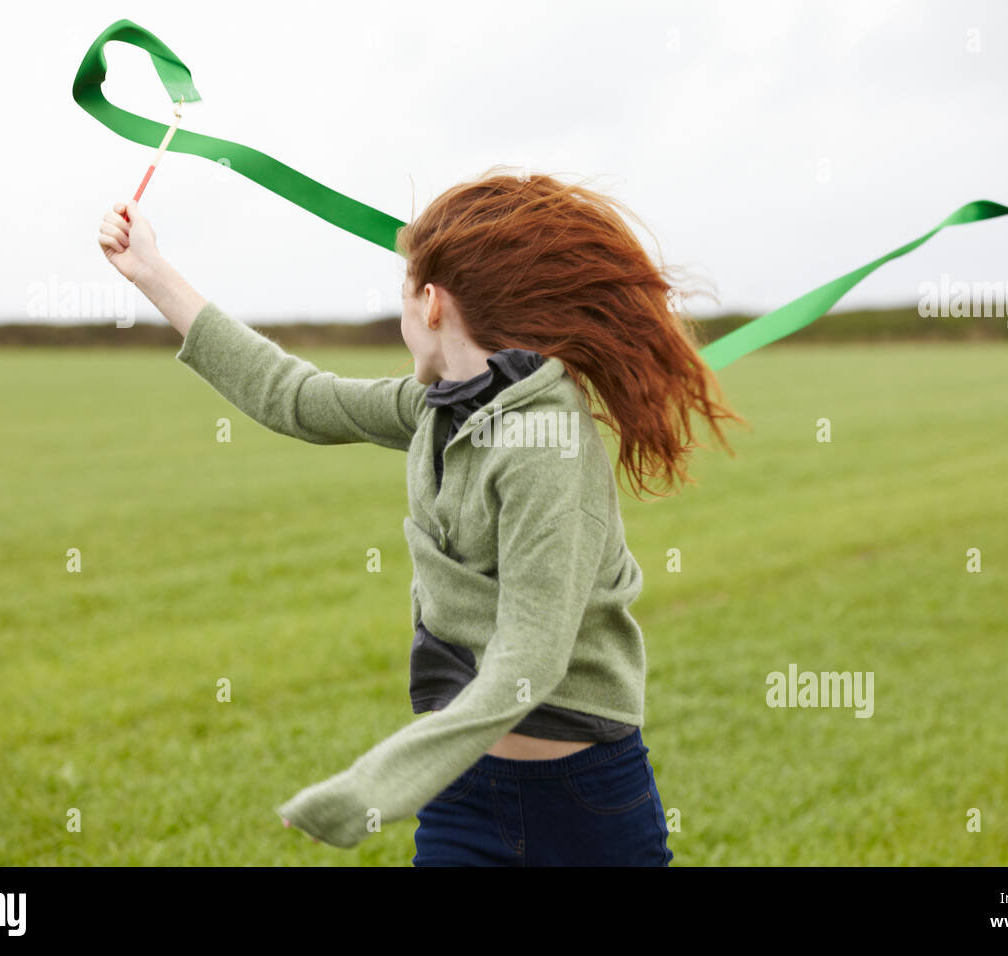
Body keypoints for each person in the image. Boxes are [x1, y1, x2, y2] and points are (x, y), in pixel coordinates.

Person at [97, 166, 743, 865]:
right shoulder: (444, 407)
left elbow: (530, 659)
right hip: (463, 788)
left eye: (403, 290)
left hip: (580, 807)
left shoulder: (543, 446)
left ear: (432, 304)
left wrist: (373, 784)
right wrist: (152, 273)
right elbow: (294, 396)